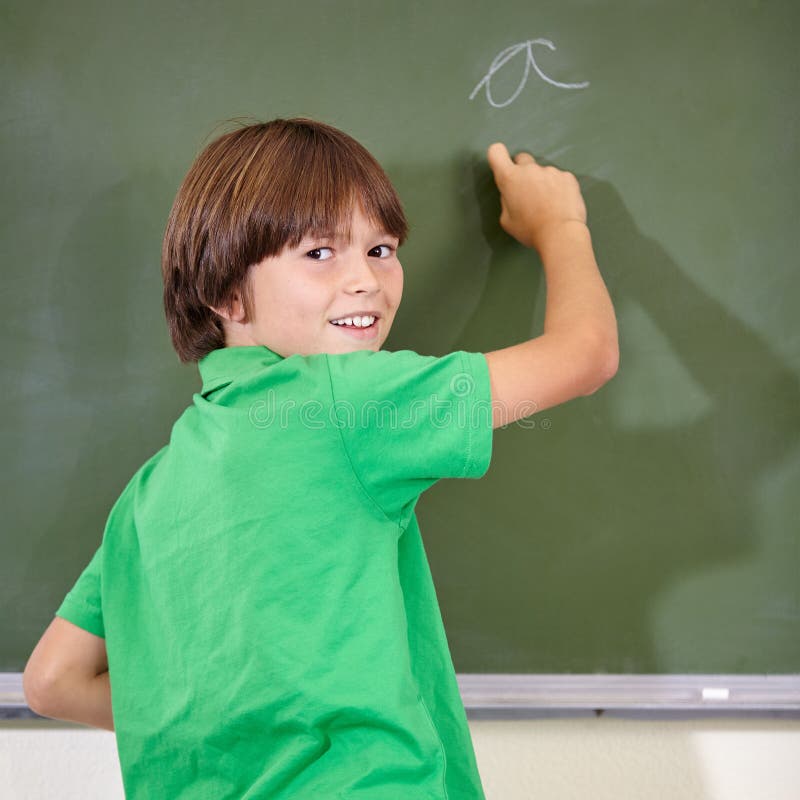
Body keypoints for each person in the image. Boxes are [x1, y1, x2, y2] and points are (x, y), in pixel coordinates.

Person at [23, 118, 618, 799]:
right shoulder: (341, 403)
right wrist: (560, 225)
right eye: (318, 254)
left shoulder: (148, 494)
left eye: (382, 248)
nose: (365, 279)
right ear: (225, 292)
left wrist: (236, 725)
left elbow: (52, 681)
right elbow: (587, 354)